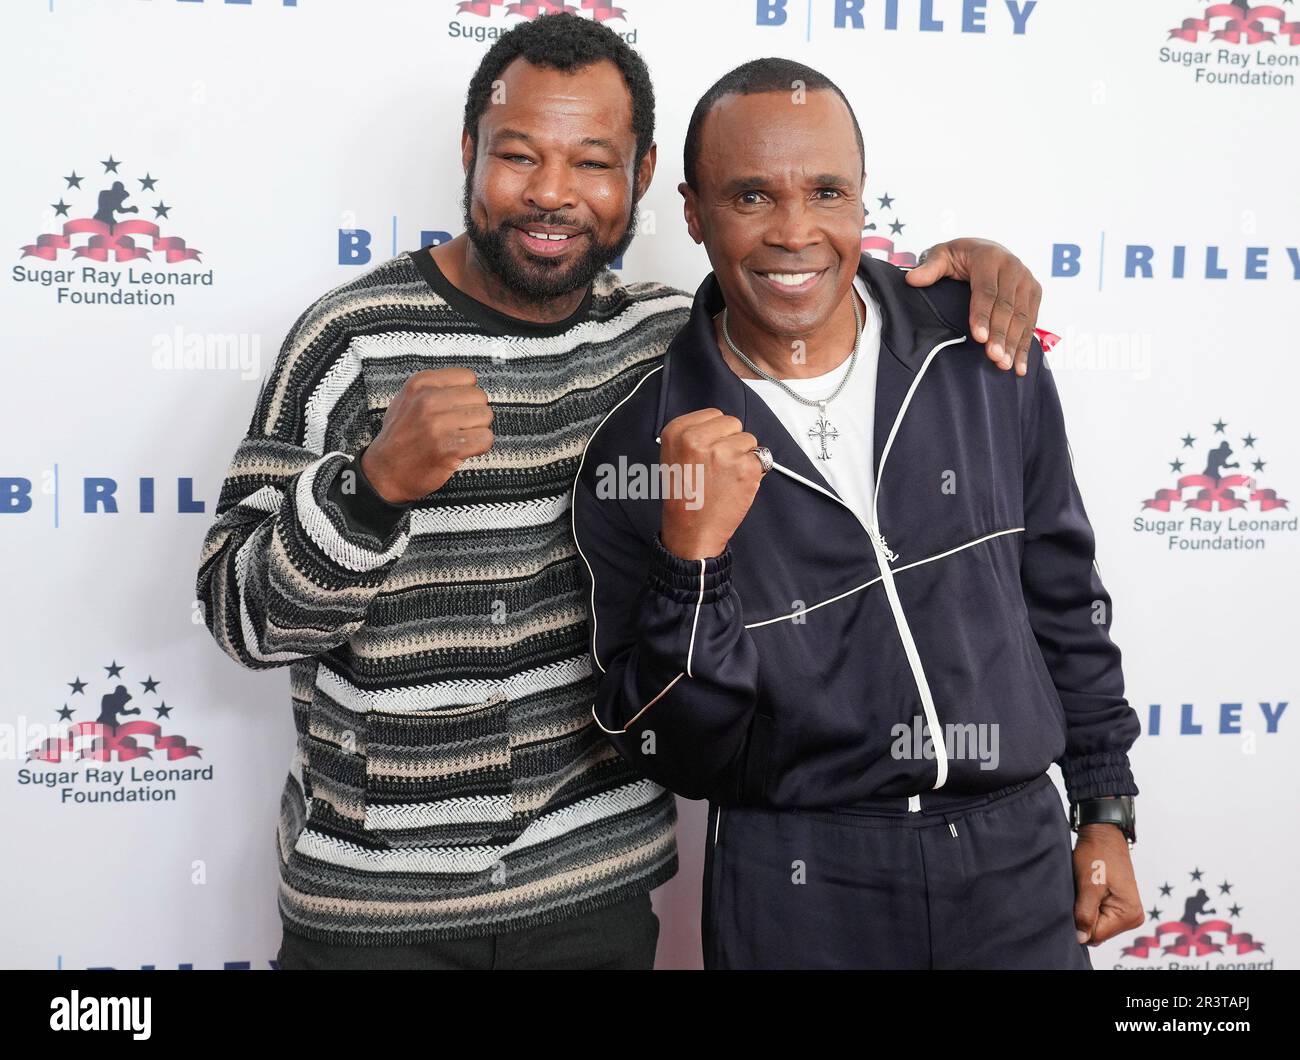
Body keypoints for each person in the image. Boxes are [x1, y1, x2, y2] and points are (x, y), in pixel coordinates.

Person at [196, 14, 1049, 970]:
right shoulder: (348, 342)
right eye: (519, 156)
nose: (552, 195)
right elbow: (239, 619)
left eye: (593, 163)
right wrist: (368, 491)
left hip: (594, 899)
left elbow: (802, 277)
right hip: (375, 914)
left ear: (643, 182)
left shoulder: (668, 347)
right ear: (470, 152)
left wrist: (974, 271)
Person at [571, 57, 1144, 970]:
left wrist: (1105, 808)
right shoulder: (644, 445)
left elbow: (1063, 595)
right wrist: (692, 563)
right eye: (751, 197)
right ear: (692, 213)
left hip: (1015, 861)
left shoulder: (979, 347)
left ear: (864, 197)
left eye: (827, 191)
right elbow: (674, 750)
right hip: (796, 881)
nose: (795, 232)